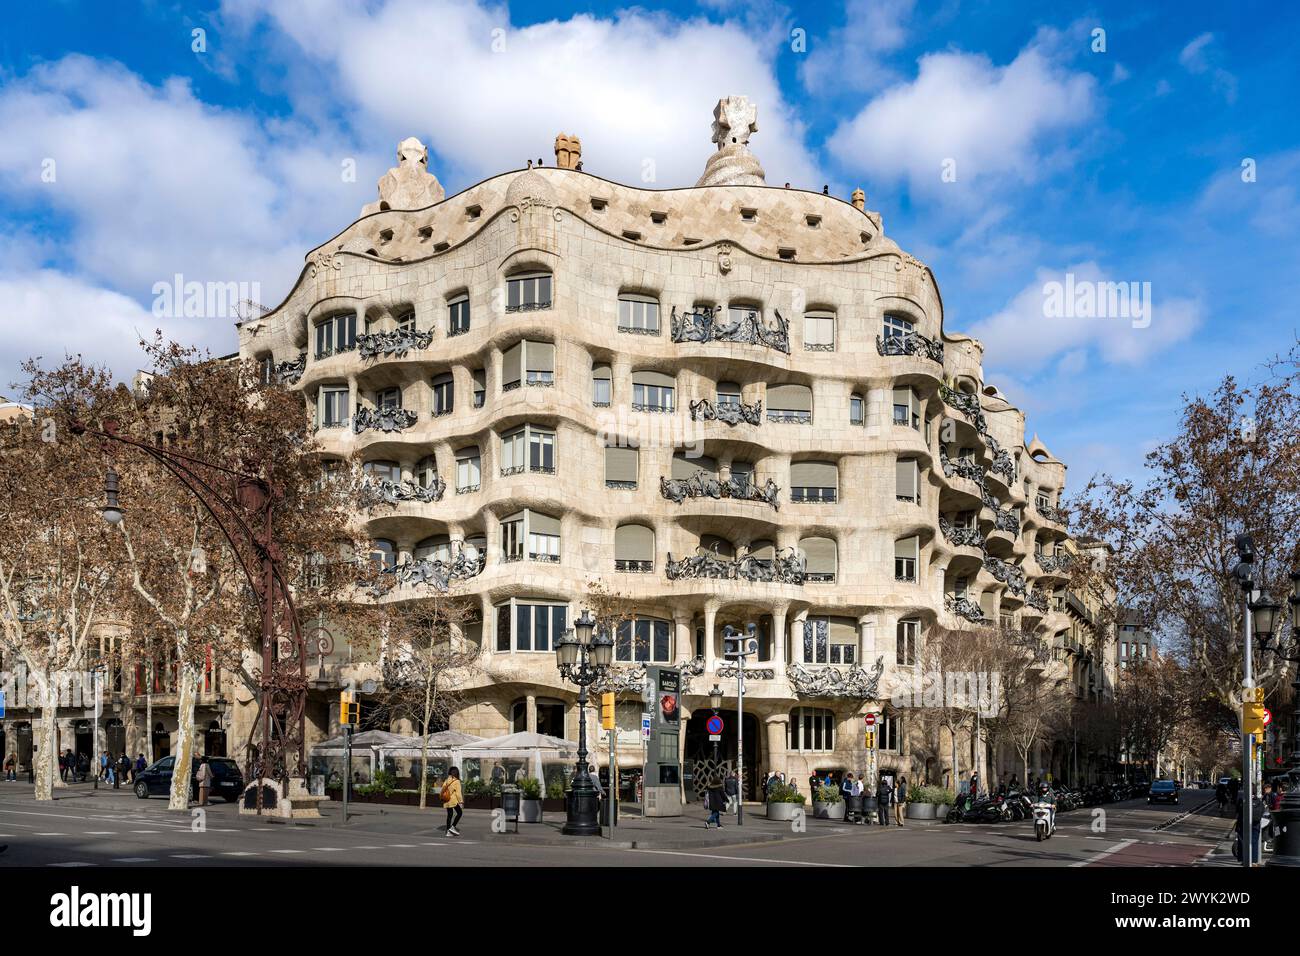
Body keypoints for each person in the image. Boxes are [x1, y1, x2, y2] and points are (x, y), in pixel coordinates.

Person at [1234, 786, 1266, 865]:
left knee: (1242, 842)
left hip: (1243, 824)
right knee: (1254, 843)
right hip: (1255, 825)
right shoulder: (1259, 801)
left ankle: (1244, 860)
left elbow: (1237, 810)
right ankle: (1254, 861)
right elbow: (1262, 811)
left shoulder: (1242, 800)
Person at [441, 766, 464, 836]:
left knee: (449, 815)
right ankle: (452, 827)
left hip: (446, 800)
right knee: (460, 813)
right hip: (453, 800)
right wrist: (461, 801)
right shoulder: (457, 781)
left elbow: (443, 788)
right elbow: (458, 793)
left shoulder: (447, 780)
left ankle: (448, 831)